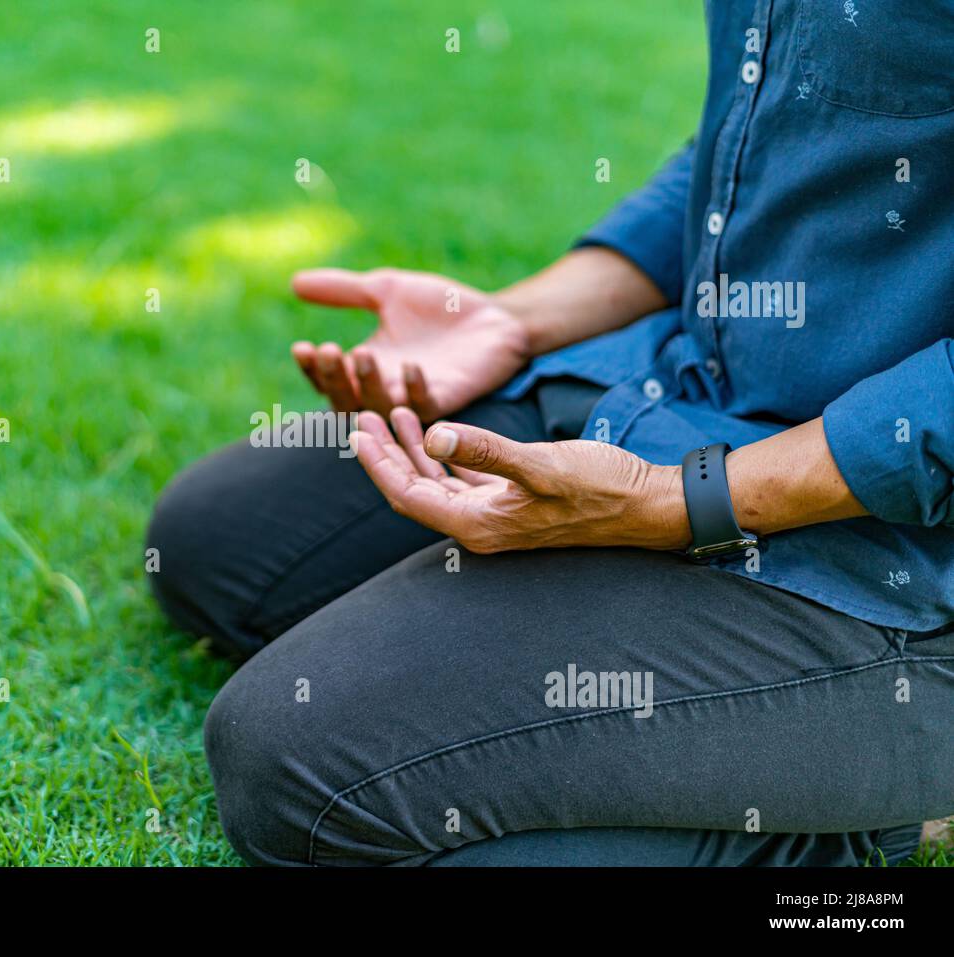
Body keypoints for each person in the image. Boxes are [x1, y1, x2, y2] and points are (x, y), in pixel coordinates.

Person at [147, 1, 954, 865]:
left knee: (296, 764)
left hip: (883, 536)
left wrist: (684, 501)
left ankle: (874, 809)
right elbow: (759, 144)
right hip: (670, 392)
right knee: (218, 549)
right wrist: (513, 322)